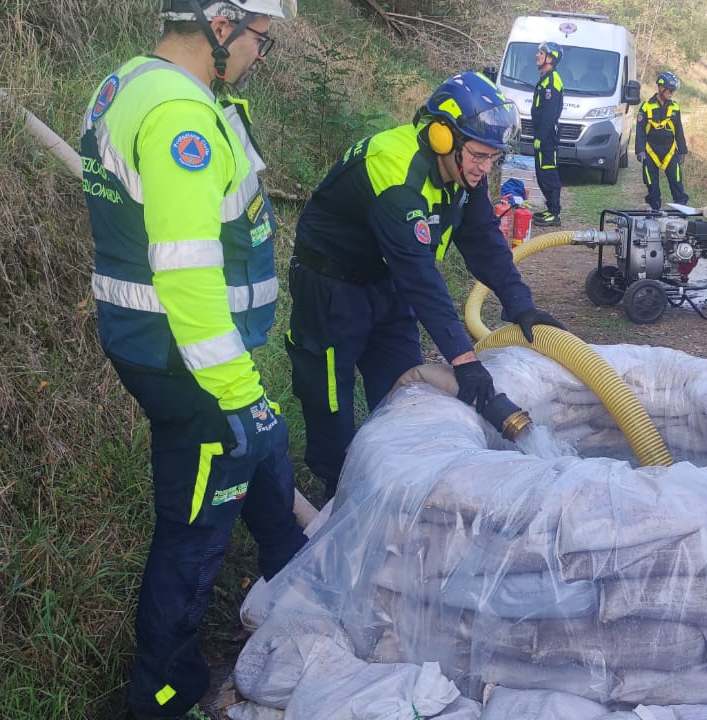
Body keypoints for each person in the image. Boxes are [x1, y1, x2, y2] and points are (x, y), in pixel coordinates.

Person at [78, 2, 307, 718]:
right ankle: (165, 687)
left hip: (172, 351)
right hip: (194, 365)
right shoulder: (180, 114)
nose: (260, 54)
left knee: (263, 470)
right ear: (222, 22)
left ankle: (297, 589)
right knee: (195, 528)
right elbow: (187, 271)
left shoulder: (130, 82)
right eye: (261, 39)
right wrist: (238, 393)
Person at [288, 71, 565, 498]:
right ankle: (337, 497)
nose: (485, 168)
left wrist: (519, 304)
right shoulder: (396, 172)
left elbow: (483, 240)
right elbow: (420, 276)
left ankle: (396, 489)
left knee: (405, 390)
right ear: (442, 136)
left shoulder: (462, 169)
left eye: (493, 158)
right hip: (331, 288)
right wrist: (464, 361)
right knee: (331, 402)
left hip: (388, 286)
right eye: (479, 156)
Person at [636, 70, 690, 211]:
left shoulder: (675, 107)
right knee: (651, 183)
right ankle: (654, 209)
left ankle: (681, 208)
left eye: (674, 90)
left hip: (670, 150)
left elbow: (679, 130)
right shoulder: (646, 107)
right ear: (661, 88)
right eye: (670, 90)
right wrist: (640, 151)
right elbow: (640, 131)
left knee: (676, 181)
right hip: (650, 150)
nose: (672, 93)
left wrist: (683, 151)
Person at [530, 41, 565, 226]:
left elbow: (550, 113)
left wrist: (541, 137)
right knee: (541, 172)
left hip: (547, 136)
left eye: (541, 53)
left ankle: (555, 213)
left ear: (550, 58)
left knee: (548, 172)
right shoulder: (545, 78)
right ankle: (550, 208)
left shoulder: (552, 80)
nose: (537, 55)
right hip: (542, 135)